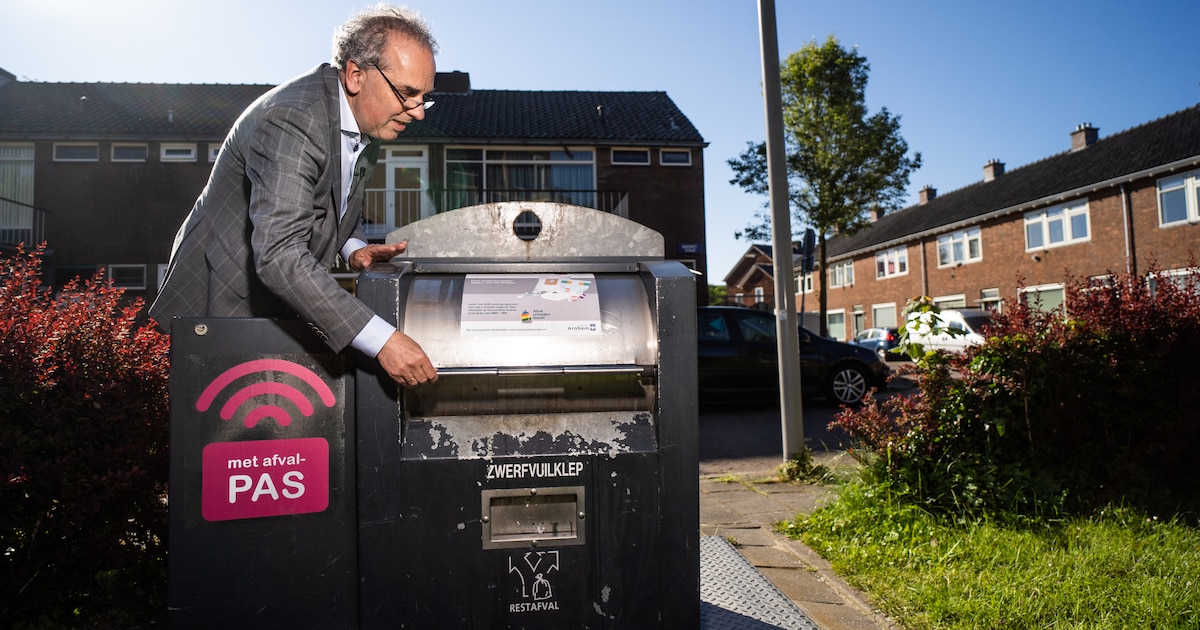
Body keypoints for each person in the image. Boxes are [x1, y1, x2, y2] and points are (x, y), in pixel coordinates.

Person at [150, 3, 437, 387]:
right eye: (407, 94)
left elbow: (327, 205)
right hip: (221, 301)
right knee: (232, 440)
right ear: (355, 75)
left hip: (276, 301)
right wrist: (384, 340)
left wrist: (352, 248)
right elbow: (279, 253)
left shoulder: (369, 120)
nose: (417, 112)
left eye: (425, 97)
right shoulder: (293, 118)